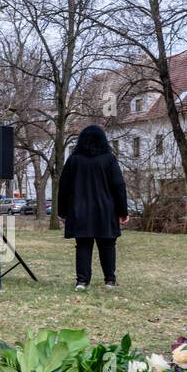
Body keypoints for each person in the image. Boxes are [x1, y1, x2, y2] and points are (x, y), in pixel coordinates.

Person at [58, 124, 128, 290]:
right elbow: (119, 185)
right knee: (108, 245)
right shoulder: (109, 159)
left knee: (83, 245)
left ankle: (82, 281)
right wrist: (122, 211)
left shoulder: (73, 160)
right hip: (106, 210)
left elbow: (64, 187)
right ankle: (110, 280)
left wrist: (62, 211)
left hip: (79, 210)